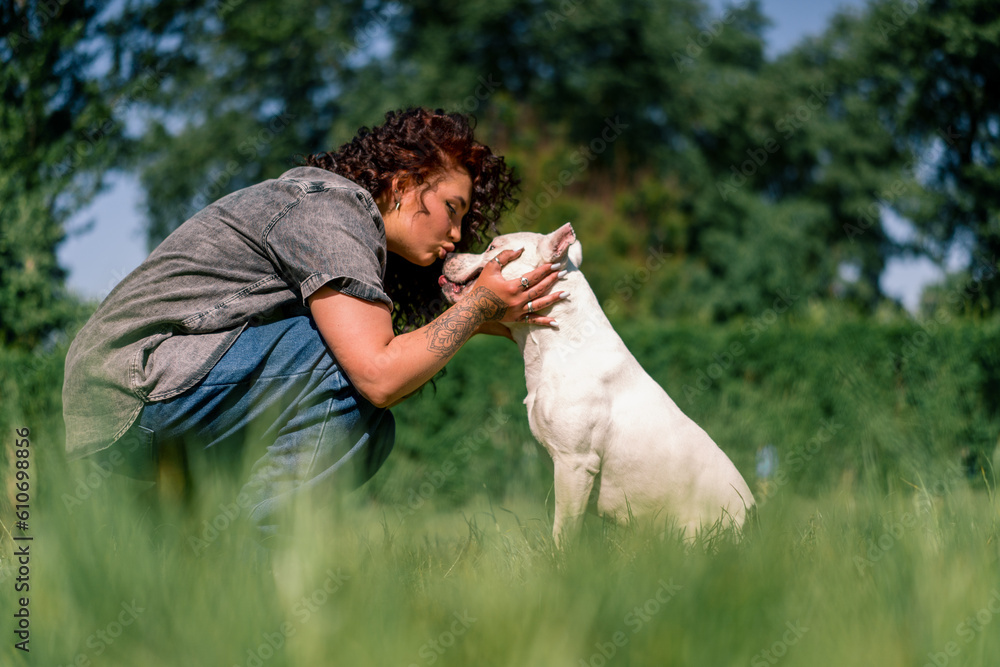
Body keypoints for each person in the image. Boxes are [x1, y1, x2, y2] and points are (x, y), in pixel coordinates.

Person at [62, 107, 566, 544]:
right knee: (342, 363)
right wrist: (475, 307)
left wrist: (480, 319)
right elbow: (378, 373)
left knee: (368, 428)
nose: (456, 234)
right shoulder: (331, 208)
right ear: (405, 184)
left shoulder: (334, 218)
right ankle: (248, 557)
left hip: (144, 401)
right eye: (452, 209)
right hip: (133, 391)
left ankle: (172, 544)